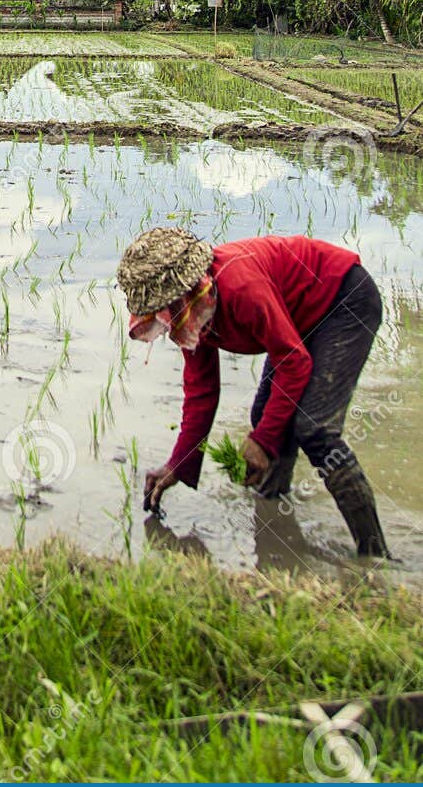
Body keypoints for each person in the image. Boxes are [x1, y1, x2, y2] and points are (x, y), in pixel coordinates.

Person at [117, 227, 389, 558]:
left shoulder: (241, 288)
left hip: (344, 301)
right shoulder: (187, 315)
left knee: (315, 430)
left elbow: (294, 363)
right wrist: (179, 463)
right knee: (266, 418)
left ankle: (374, 556)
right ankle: (276, 529)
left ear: (184, 291)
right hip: (299, 317)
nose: (162, 320)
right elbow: (203, 392)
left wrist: (262, 442)